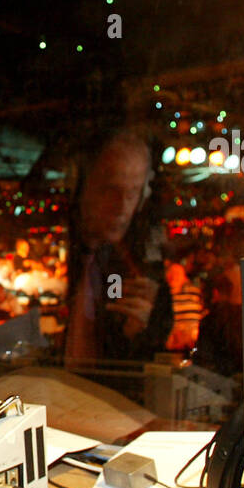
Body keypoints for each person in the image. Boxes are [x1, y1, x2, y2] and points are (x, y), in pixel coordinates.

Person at [63, 130, 172, 365]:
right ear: (82, 187)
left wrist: (141, 333)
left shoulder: (141, 271)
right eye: (110, 190)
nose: (121, 207)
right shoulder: (74, 250)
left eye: (132, 193)